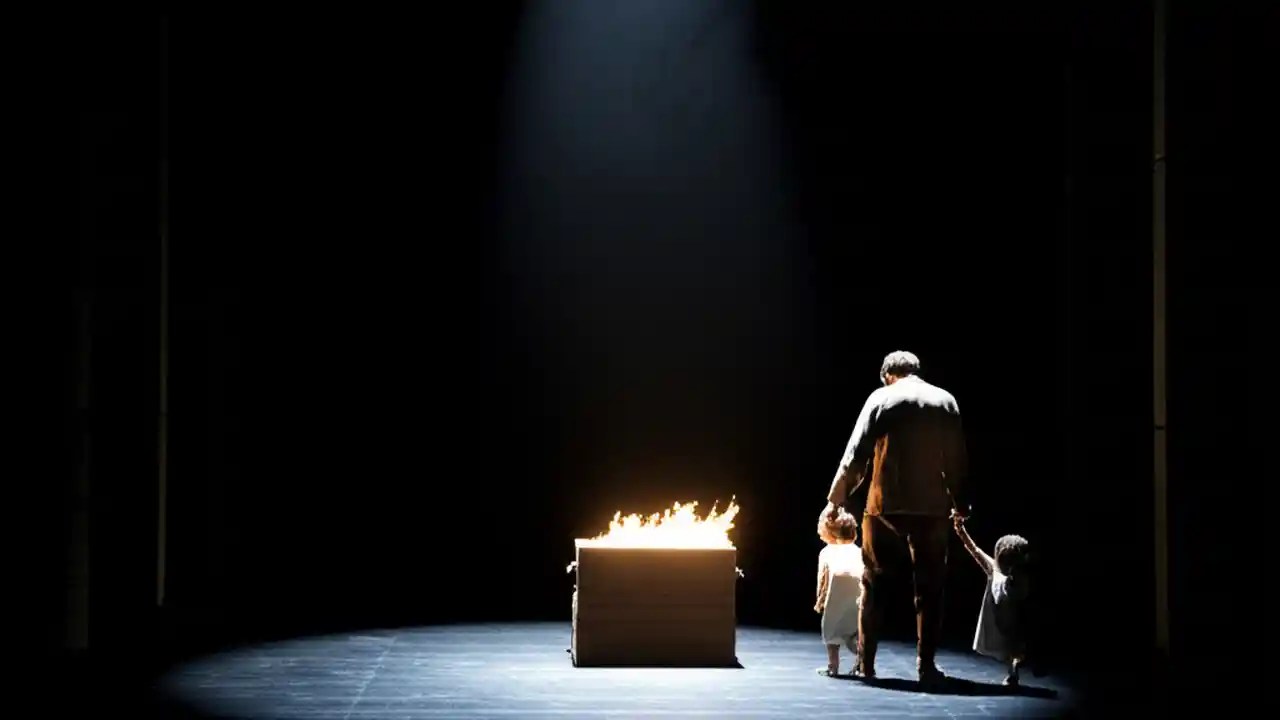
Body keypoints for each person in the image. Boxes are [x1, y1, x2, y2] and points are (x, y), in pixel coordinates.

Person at [823, 350, 968, 684]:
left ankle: (866, 664)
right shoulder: (946, 401)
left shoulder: (882, 397)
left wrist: (836, 500)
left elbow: (856, 453)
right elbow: (957, 460)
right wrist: (962, 503)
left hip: (885, 505)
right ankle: (926, 666)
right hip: (931, 508)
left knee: (873, 584)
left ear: (888, 374)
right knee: (930, 589)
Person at [952, 513, 1031, 685]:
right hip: (1000, 619)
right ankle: (1013, 668)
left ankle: (1015, 669)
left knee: (1015, 646)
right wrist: (961, 532)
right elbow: (976, 551)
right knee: (1009, 646)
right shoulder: (995, 570)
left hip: (1014, 622)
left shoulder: (1019, 582)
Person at [814, 507, 863, 677]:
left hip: (836, 596)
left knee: (831, 631)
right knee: (855, 632)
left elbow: (824, 578)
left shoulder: (827, 552)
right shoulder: (859, 551)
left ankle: (833, 666)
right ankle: (861, 664)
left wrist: (820, 600)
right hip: (857, 595)